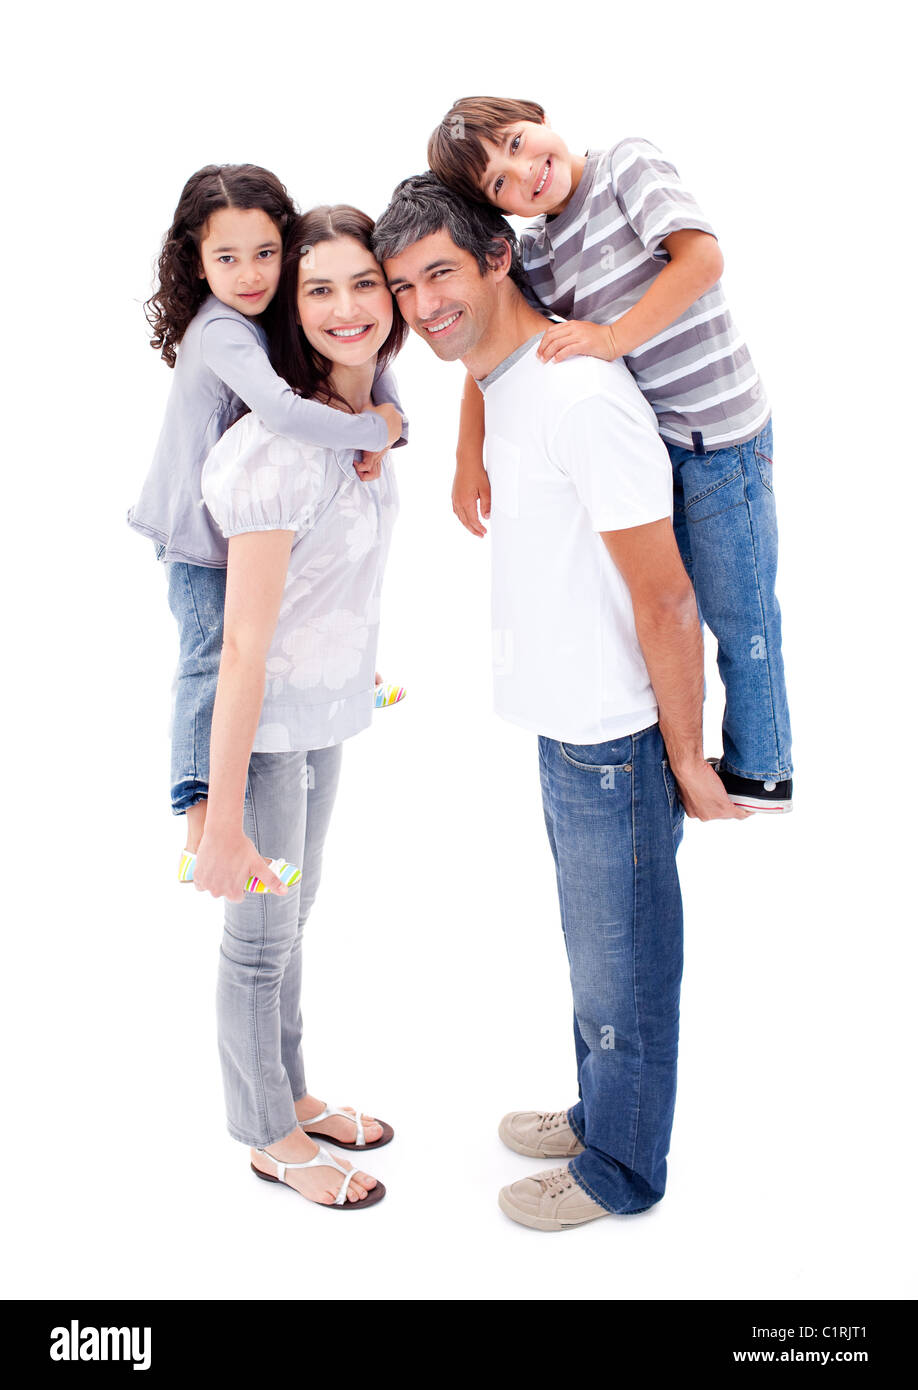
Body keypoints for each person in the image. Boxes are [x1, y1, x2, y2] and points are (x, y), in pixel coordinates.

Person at [373, 173, 749, 1230]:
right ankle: (600, 1112)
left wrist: (683, 757)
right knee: (597, 955)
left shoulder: (583, 398)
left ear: (500, 257)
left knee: (624, 965)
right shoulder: (508, 376)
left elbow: (666, 597)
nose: (419, 304)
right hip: (563, 724)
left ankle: (621, 1168)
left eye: (438, 271)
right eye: (401, 286)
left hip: (616, 738)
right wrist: (461, 449)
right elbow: (483, 367)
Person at [428, 97, 792, 813]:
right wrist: (468, 453)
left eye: (517, 141)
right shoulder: (536, 255)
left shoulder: (627, 164)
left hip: (721, 440)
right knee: (663, 602)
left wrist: (613, 338)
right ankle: (691, 745)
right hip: (658, 444)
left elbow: (702, 260)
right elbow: (495, 341)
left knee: (738, 609)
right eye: (499, 182)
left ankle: (765, 766)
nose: (524, 171)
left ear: (536, 116)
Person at [190, 204, 408, 1207]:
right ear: (290, 308)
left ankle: (290, 1089)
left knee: (297, 917)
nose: (346, 306)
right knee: (262, 935)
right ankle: (269, 1133)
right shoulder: (276, 453)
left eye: (364, 282)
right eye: (317, 288)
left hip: (323, 723)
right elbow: (239, 646)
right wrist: (220, 815)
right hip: (267, 735)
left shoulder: (367, 425)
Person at [127, 164, 407, 894]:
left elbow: (372, 369)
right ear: (196, 260)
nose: (250, 275)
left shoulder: (277, 314)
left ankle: (349, 667)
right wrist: (369, 427)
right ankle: (199, 813)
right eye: (227, 258)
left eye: (264, 253)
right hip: (196, 534)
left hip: (244, 523)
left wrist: (388, 419)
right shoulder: (222, 331)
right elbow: (283, 415)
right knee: (212, 655)